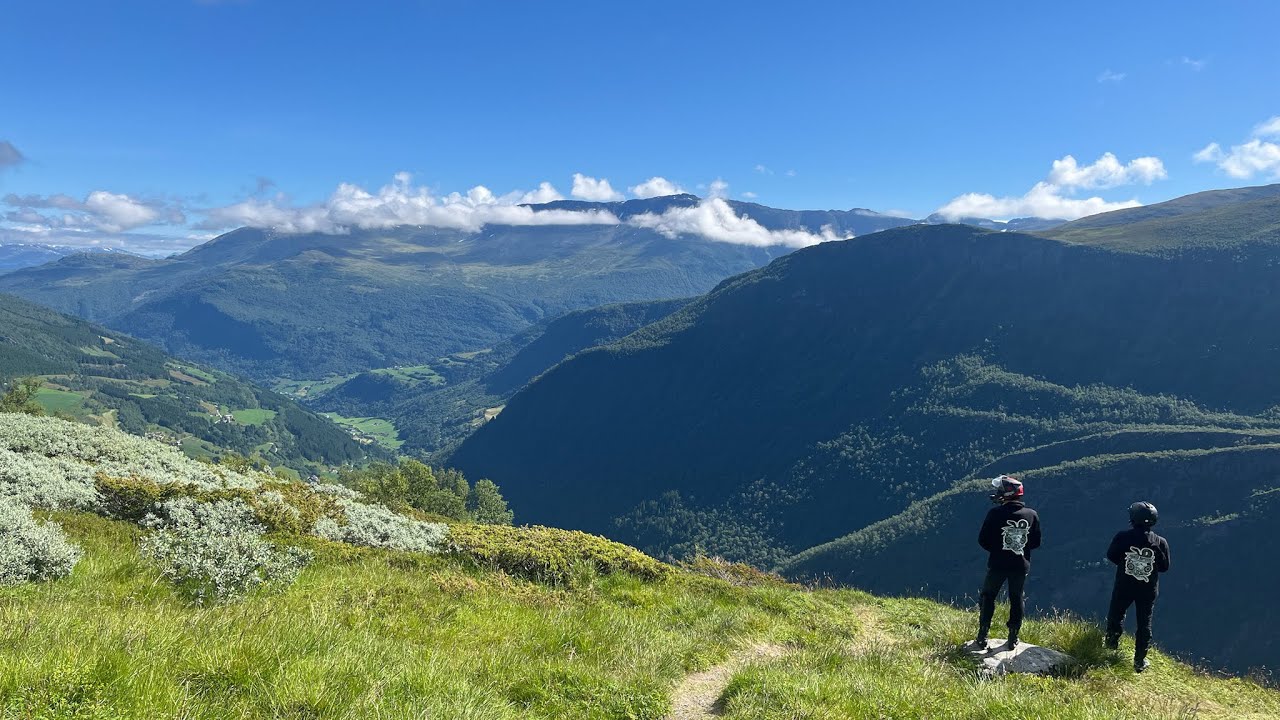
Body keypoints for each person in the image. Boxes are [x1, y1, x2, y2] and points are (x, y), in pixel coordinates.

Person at [973, 475, 1041, 650]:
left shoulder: (995, 513)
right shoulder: (1031, 515)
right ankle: (1013, 637)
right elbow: (1035, 542)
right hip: (1020, 564)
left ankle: (982, 634)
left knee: (988, 596)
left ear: (1007, 493)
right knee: (1016, 598)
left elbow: (983, 540)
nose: (997, 493)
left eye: (1000, 491)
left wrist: (998, 550)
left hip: (998, 563)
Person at [1105, 501, 1171, 673]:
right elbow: (1164, 567)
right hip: (1147, 590)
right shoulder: (1160, 542)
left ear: (1133, 519)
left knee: (1116, 615)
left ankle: (1111, 647)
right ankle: (1139, 660)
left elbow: (1111, 556)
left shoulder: (1122, 537)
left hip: (1124, 585)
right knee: (1144, 623)